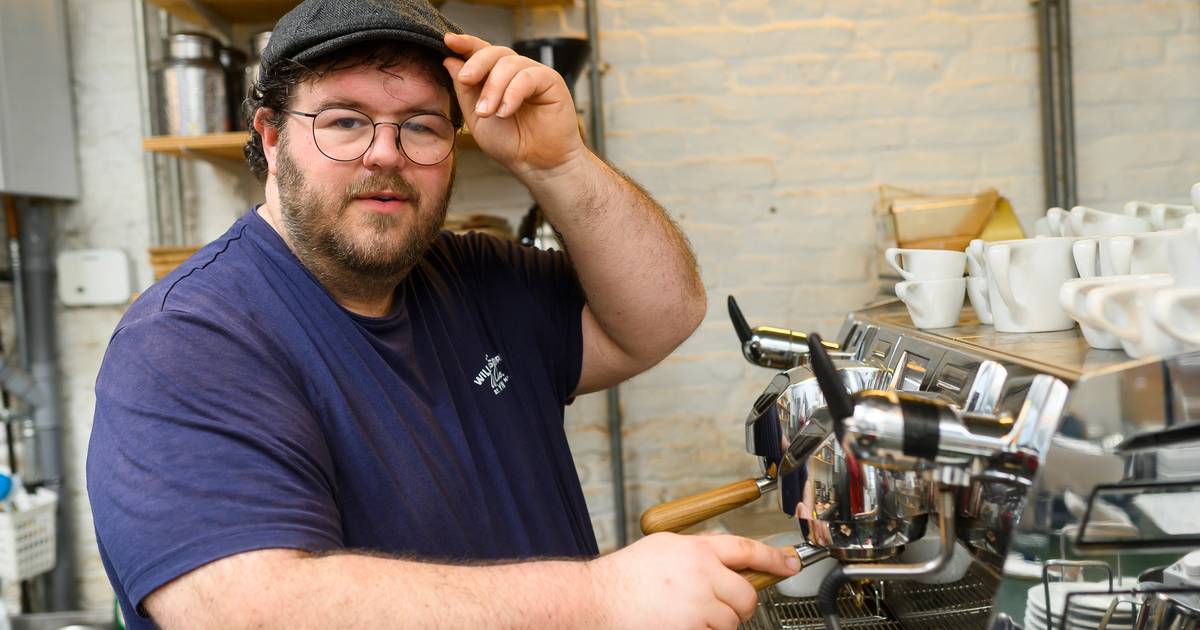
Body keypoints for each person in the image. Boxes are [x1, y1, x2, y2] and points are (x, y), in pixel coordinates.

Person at [87, 1, 799, 627]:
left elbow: (665, 314)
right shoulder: (188, 338)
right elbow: (243, 612)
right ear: (272, 138)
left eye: (422, 127)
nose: (385, 154)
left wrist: (559, 163)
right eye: (344, 121)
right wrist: (600, 600)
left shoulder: (475, 274)